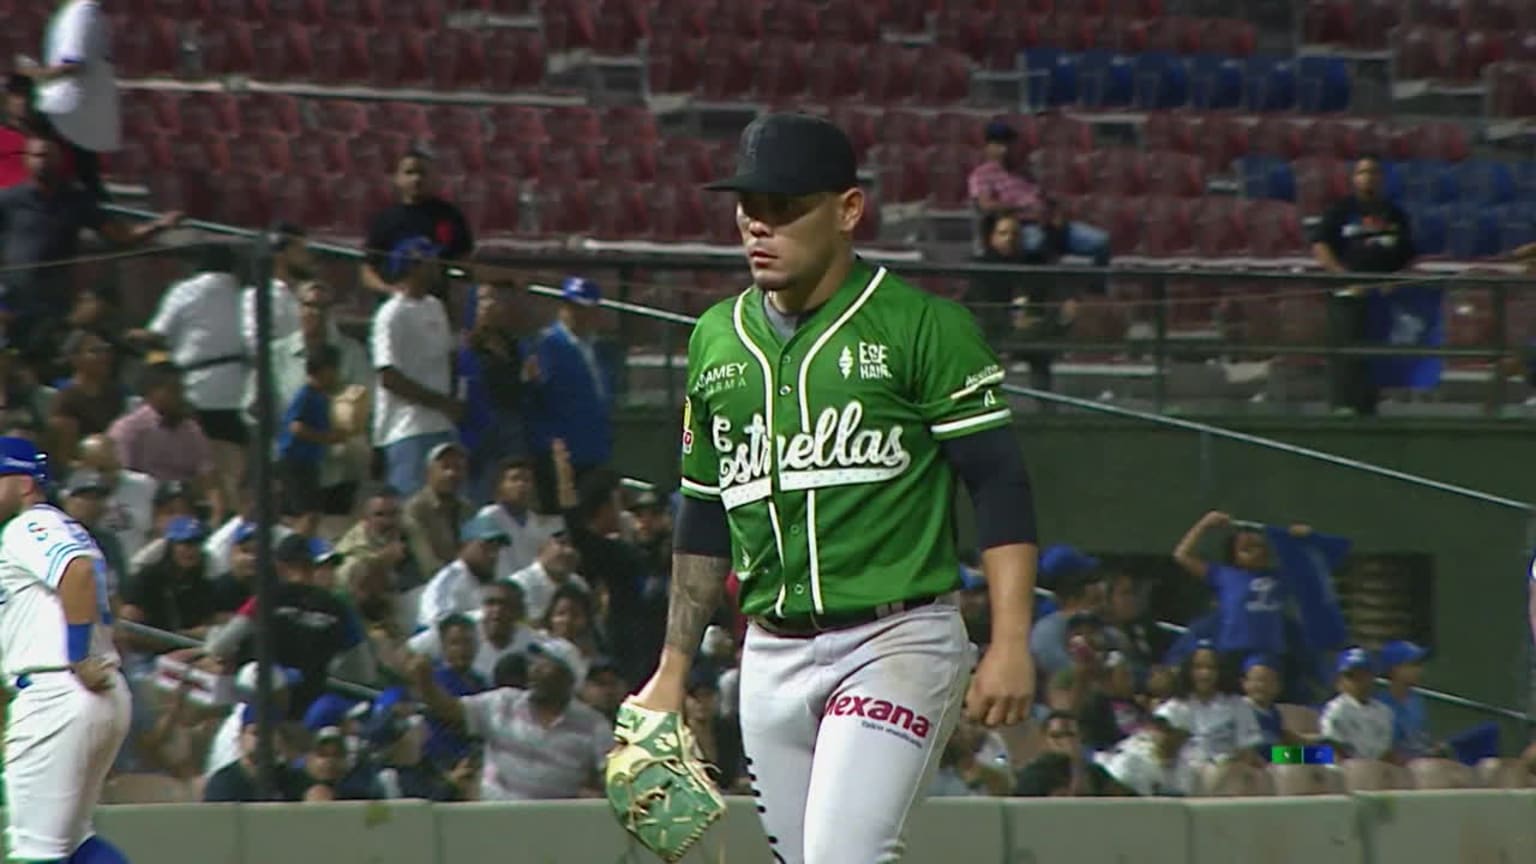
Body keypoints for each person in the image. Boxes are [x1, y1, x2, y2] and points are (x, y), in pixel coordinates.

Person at [624, 113, 1038, 864]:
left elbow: (1000, 483)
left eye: (785, 208)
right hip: (769, 656)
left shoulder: (924, 327)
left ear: (847, 210)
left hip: (895, 638)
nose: (759, 226)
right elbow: (704, 514)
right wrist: (673, 671)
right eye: (749, 207)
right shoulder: (716, 337)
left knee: (844, 858)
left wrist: (1010, 642)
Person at [0, 436, 134, 863]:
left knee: (35, 852)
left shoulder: (29, 524)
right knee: (74, 844)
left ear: (23, 483)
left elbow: (76, 573)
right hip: (86, 691)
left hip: (58, 688)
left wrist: (77, 656)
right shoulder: (51, 526)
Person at [1312, 154, 1416, 417]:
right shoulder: (1341, 210)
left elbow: (1409, 255)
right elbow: (1321, 245)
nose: (1368, 177)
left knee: (1376, 354)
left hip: (1382, 296)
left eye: (1374, 172)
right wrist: (1341, 275)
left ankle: (1370, 404)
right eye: (1363, 172)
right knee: (1346, 351)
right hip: (1348, 294)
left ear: (1381, 178)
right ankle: (1342, 405)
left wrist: (1396, 280)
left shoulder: (1395, 214)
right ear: (1354, 178)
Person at [371, 236, 461, 498]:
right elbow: (388, 376)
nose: (436, 266)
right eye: (429, 261)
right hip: (407, 428)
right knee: (408, 503)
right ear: (412, 266)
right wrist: (440, 402)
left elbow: (448, 357)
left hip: (442, 426)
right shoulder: (391, 314)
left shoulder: (436, 307)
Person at [1319, 647, 1397, 762]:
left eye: (1364, 675)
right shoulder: (1335, 709)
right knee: (1289, 756)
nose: (1359, 682)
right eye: (1351, 677)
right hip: (1344, 770)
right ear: (1340, 682)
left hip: (1376, 771)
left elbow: (1386, 751)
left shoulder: (1385, 712)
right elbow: (1333, 748)